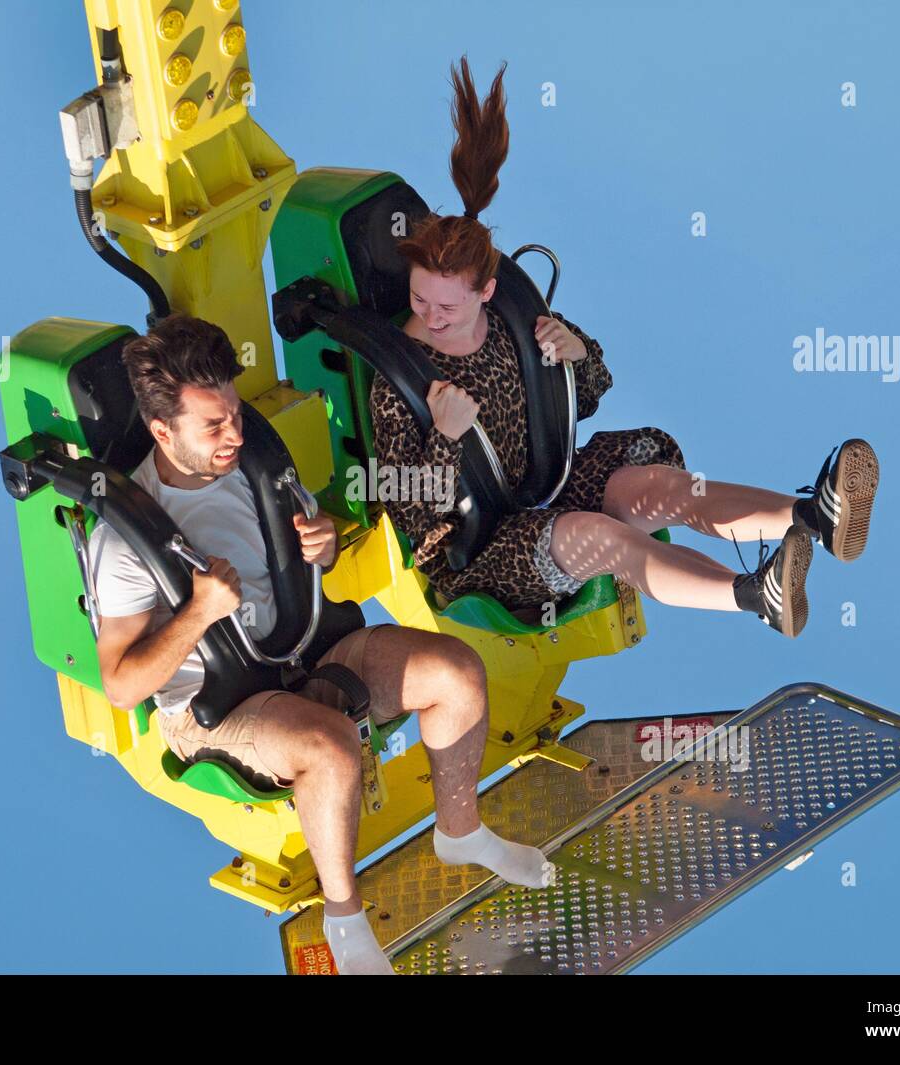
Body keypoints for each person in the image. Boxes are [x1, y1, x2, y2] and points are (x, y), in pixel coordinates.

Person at [89, 314, 555, 975]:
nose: (234, 434)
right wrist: (196, 614)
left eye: (233, 414)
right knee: (331, 744)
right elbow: (122, 684)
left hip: (307, 652)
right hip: (219, 705)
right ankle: (346, 924)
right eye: (213, 426)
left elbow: (313, 552)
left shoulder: (255, 462)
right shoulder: (125, 536)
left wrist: (326, 541)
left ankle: (460, 831)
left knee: (457, 672)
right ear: (163, 432)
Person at [368, 58, 880, 639]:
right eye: (420, 300)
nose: (431, 317)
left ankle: (813, 515)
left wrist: (576, 354)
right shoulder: (401, 380)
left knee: (663, 488)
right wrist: (443, 436)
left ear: (487, 292)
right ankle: (752, 596)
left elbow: (587, 397)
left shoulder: (515, 322)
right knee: (605, 537)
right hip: (477, 546)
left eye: (448, 306)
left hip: (547, 487)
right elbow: (406, 515)